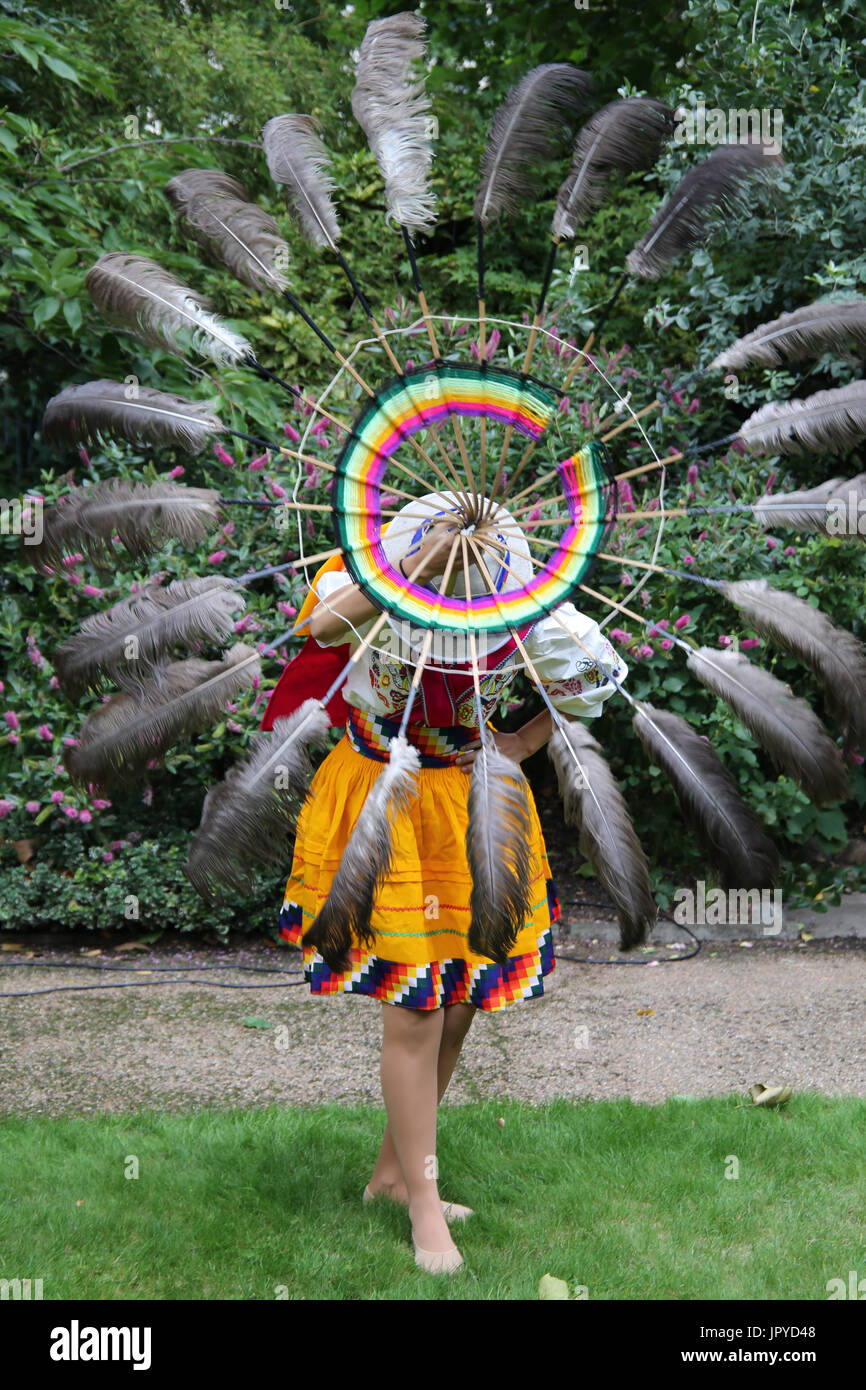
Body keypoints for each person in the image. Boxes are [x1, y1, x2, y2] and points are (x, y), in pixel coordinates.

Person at [258, 490, 627, 1275]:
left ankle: (393, 1177)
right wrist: (414, 566)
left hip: (471, 807)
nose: (463, 568)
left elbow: (597, 674)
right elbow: (316, 630)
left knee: (457, 1001)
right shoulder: (358, 590)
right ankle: (424, 1203)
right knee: (417, 1006)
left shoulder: (515, 613)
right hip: (381, 804)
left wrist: (520, 742)